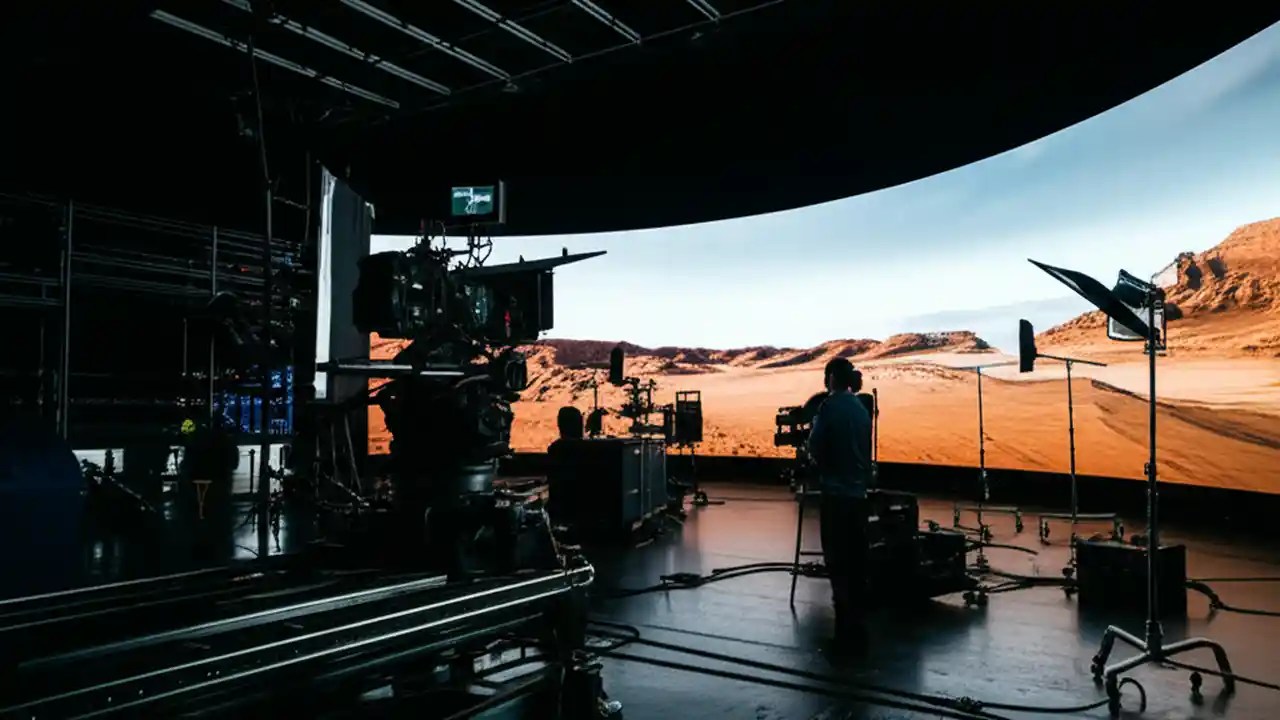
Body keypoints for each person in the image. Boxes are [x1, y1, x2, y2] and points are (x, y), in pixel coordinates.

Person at [807, 357, 875, 650]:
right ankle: (858, 628)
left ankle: (843, 635)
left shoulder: (830, 407)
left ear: (832, 377)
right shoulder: (861, 409)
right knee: (857, 564)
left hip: (835, 497)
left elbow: (816, 446)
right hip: (858, 498)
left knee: (838, 565)